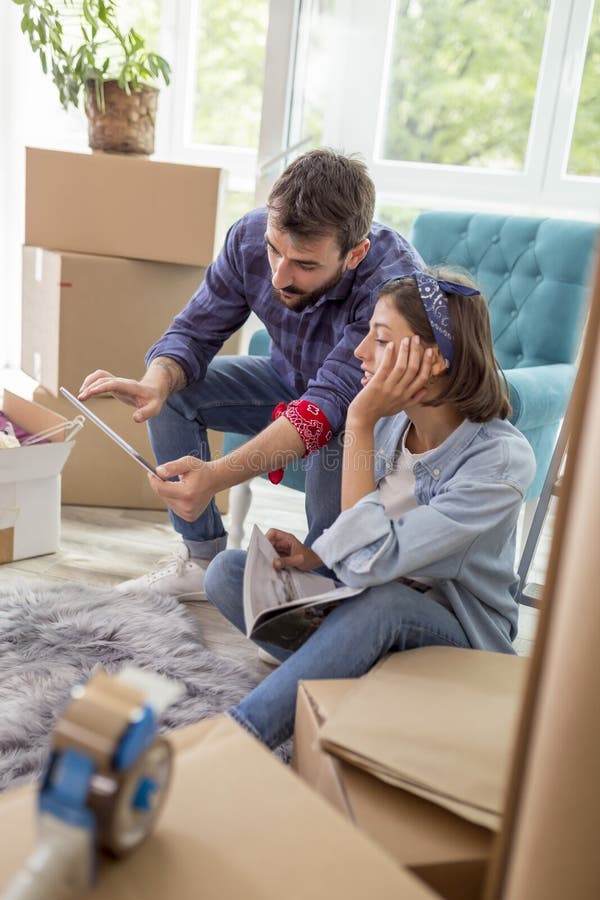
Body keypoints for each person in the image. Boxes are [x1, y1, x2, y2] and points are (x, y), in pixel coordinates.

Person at [202, 269, 536, 750]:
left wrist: (358, 420)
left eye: (379, 339)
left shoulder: (500, 460)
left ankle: (233, 740)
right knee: (227, 572)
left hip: (456, 641)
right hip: (364, 604)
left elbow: (367, 563)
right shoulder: (391, 425)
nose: (359, 351)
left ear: (434, 359)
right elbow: (357, 545)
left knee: (383, 604)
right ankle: (345, 682)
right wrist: (314, 557)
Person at [78, 149, 424, 600]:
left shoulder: (393, 284)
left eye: (305, 264)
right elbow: (194, 331)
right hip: (289, 380)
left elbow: (328, 406)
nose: (279, 276)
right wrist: (156, 381)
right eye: (274, 250)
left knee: (335, 435)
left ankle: (325, 581)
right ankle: (200, 558)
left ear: (355, 253)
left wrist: (215, 476)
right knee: (175, 393)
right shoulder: (247, 237)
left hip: (365, 413)